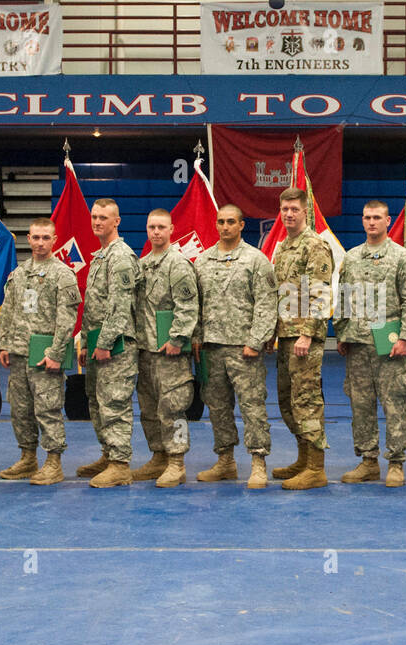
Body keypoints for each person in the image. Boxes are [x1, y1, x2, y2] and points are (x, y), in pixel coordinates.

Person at [334, 200, 406, 487]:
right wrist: (342, 333)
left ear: (388, 221)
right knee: (360, 405)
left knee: (394, 403)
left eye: (377, 218)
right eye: (367, 218)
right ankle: (368, 461)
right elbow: (343, 298)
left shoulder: (403, 258)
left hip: (389, 346)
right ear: (362, 221)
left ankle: (396, 462)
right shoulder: (351, 257)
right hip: (358, 344)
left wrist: (405, 337)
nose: (371, 222)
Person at [193, 204, 278, 488]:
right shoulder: (202, 261)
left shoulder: (256, 260)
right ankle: (226, 461)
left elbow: (267, 304)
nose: (225, 226)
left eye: (231, 221)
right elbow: (196, 305)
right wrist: (196, 338)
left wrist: (256, 341)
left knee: (252, 407)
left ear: (242, 225)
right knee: (216, 406)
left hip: (244, 349)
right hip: (211, 348)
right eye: (221, 222)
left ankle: (258, 462)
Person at [0, 218, 81, 486]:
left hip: (45, 355)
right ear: (28, 239)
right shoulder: (18, 274)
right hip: (19, 353)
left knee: (47, 408)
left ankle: (53, 462)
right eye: (35, 237)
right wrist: (4, 343)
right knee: (20, 410)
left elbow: (67, 320)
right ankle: (27, 457)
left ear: (55, 240)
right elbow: (8, 311)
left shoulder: (63, 275)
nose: (40, 243)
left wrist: (57, 353)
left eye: (46, 237)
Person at [271, 186, 335, 491]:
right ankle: (303, 457)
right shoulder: (284, 247)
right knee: (287, 401)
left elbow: (321, 294)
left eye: (294, 209)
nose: (289, 214)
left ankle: (316, 467)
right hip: (285, 336)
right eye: (284, 209)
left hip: (303, 339)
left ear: (305, 211)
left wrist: (307, 334)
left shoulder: (314, 245)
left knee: (306, 400)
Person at [132, 208, 200, 488]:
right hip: (145, 350)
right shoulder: (142, 264)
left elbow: (188, 306)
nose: (156, 232)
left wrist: (178, 338)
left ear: (171, 230)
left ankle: (177, 462)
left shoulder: (178, 264)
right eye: (151, 227)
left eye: (161, 227)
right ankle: (159, 456)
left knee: (174, 409)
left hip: (171, 352)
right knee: (149, 409)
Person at [75, 198, 141, 489]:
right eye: (94, 217)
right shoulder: (100, 256)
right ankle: (108, 454)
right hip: (98, 344)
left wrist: (103, 342)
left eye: (104, 217)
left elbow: (120, 305)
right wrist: (87, 344)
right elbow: (94, 306)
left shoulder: (121, 256)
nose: (97, 222)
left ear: (117, 222)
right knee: (98, 403)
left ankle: (120, 465)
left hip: (117, 345)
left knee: (114, 403)